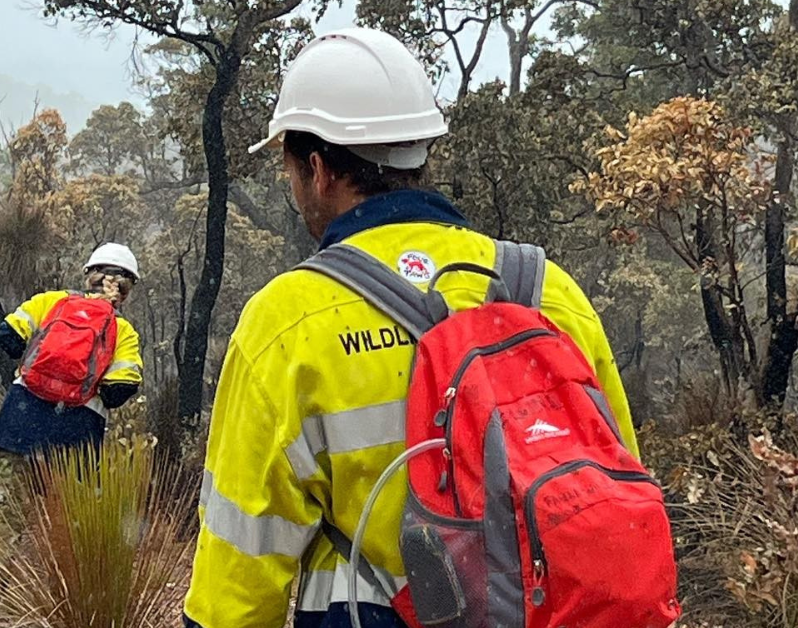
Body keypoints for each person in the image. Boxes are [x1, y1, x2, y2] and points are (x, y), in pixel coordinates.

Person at [181, 27, 640, 628]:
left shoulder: (287, 323)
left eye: (291, 169)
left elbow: (238, 576)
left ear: (317, 168)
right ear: (417, 153)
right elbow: (620, 484)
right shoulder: (550, 291)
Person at [0, 242, 144, 605]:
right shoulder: (122, 331)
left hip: (18, 429)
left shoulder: (49, 302)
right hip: (74, 446)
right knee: (68, 543)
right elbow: (118, 390)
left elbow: (7, 338)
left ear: (88, 276)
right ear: (126, 290)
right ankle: (56, 612)